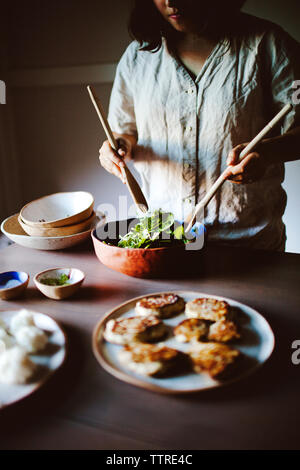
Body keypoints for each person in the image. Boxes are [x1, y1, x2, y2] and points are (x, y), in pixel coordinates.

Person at [99, 0, 300, 251]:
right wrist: (118, 146)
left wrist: (266, 153)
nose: (170, 2)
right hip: (164, 243)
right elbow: (125, 131)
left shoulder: (268, 44)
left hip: (249, 246)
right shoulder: (137, 57)